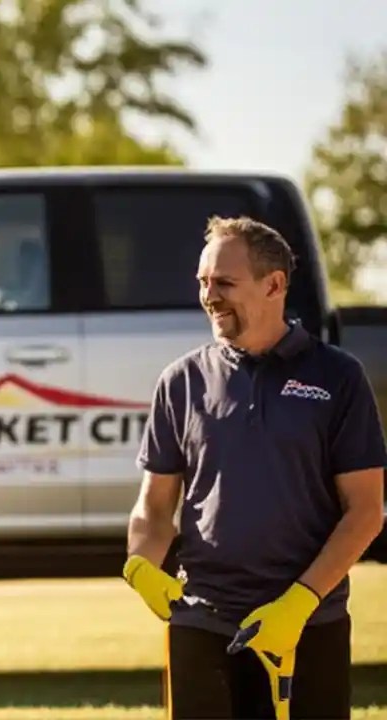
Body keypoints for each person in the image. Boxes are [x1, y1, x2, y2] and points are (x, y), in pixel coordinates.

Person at [124, 216, 386, 719]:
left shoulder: (338, 377)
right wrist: (140, 565)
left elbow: (366, 511)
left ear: (274, 284)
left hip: (309, 624)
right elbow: (154, 508)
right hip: (203, 624)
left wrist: (300, 602)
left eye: (224, 282)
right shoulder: (181, 381)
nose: (209, 295)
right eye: (202, 282)